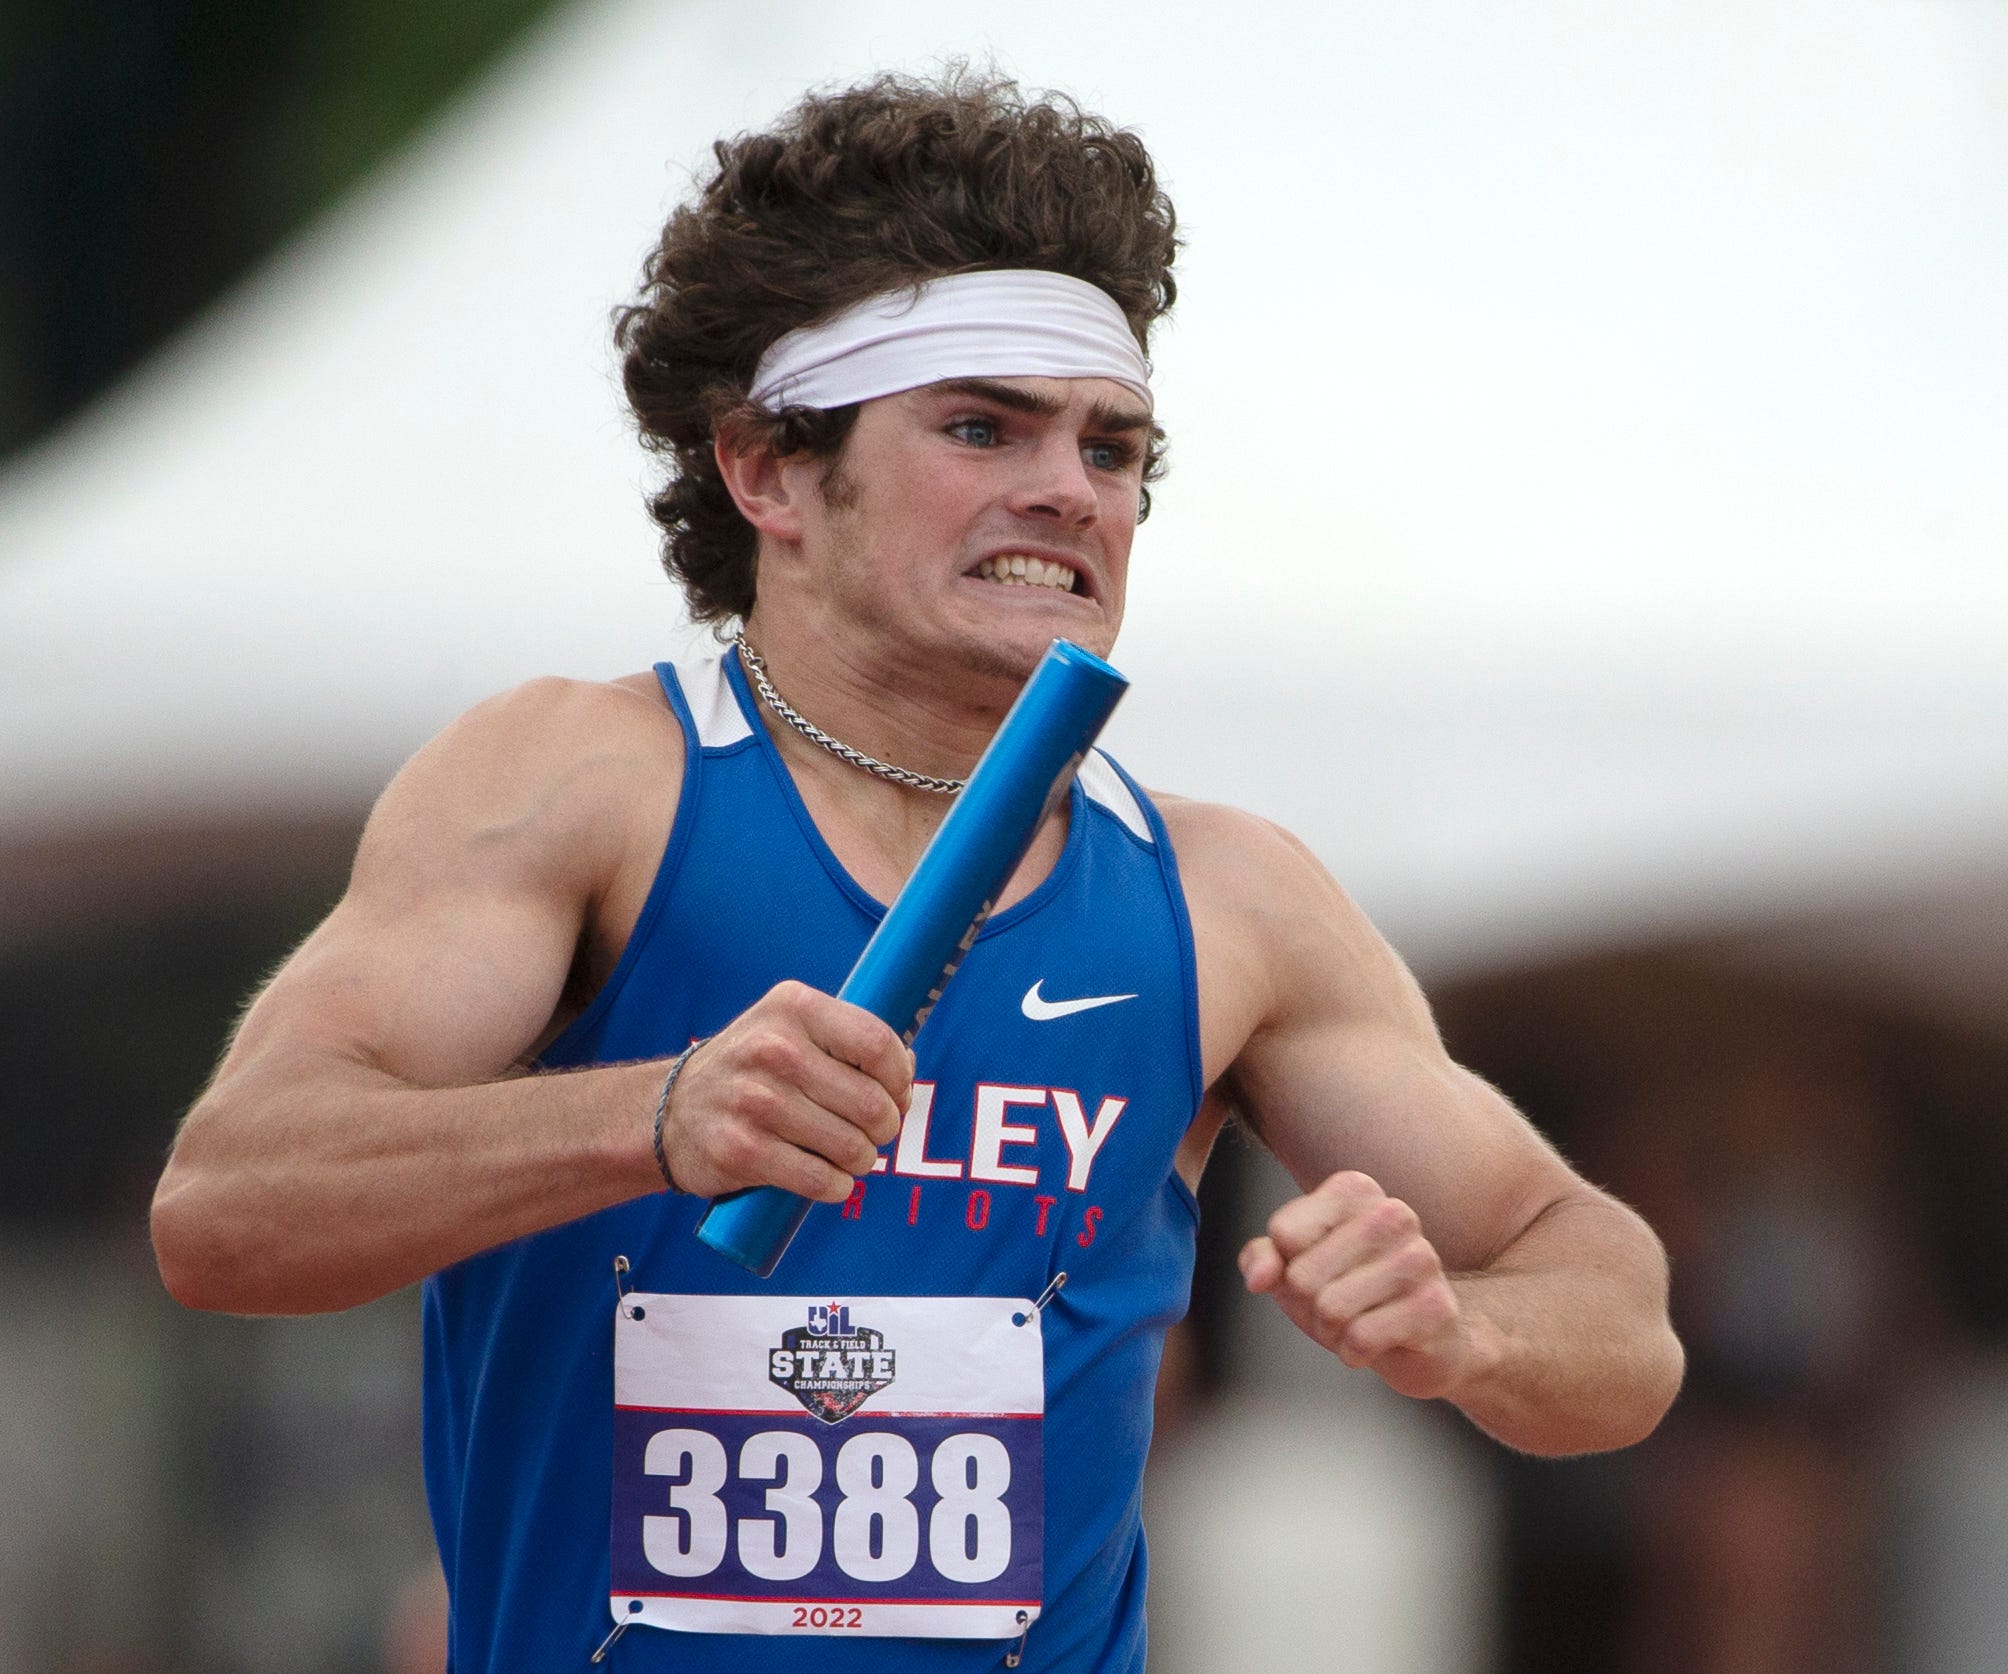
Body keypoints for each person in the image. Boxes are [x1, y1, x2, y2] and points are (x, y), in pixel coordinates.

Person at [150, 71, 1683, 1673]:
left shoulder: (1227, 900)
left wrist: (1466, 1331)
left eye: (1113, 445)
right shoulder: (585, 785)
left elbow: (1615, 1309)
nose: (1069, 489)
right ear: (767, 470)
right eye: (982, 426)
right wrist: (652, 1114)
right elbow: (227, 1206)